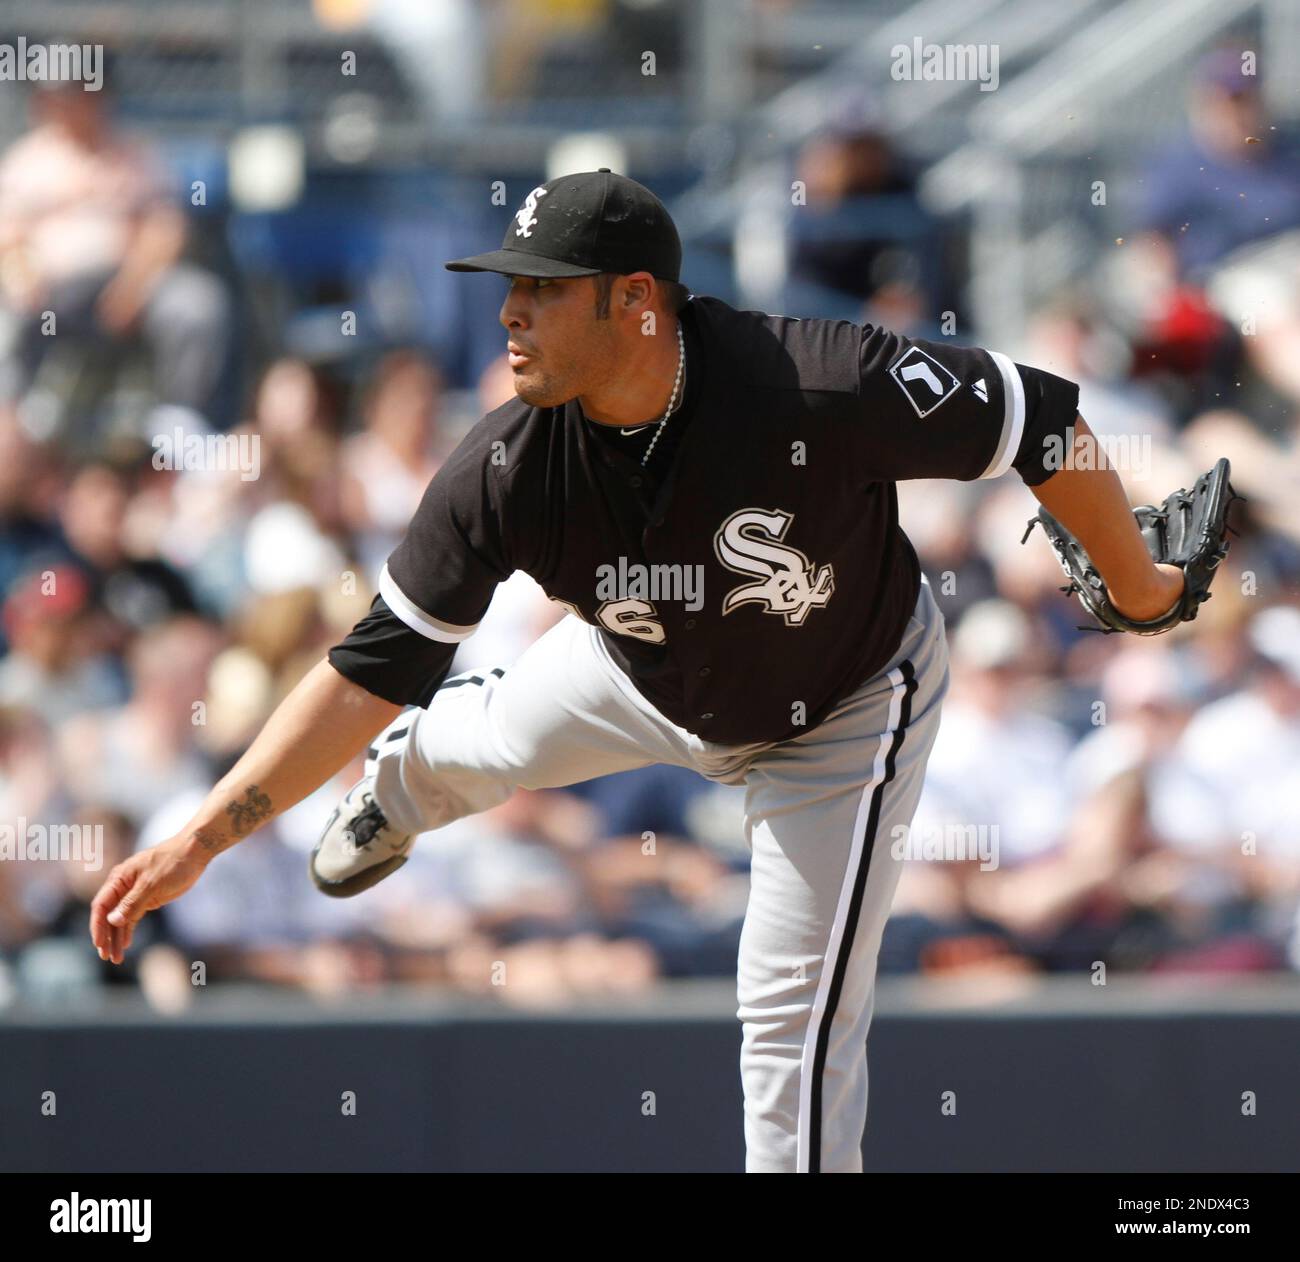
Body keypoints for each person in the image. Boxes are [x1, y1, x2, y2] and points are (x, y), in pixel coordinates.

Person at [88, 171, 1187, 1173]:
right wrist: (205, 832)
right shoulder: (507, 465)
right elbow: (369, 665)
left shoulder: (809, 381)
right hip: (640, 668)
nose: (511, 308)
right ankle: (403, 783)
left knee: (789, 1021)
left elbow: (1042, 417)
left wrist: (1136, 585)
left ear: (636, 299)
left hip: (844, 706)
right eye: (509, 284)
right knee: (480, 736)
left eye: (544, 287)